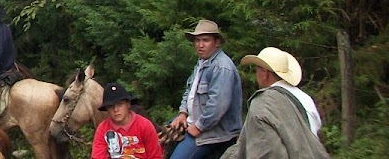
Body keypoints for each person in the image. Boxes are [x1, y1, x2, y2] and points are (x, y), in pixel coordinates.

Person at [221, 47, 327, 159]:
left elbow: (265, 151)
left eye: (257, 70)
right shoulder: (305, 98)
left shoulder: (263, 103)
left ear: (264, 73)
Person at [168, 20, 242, 159]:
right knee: (157, 140)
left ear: (217, 42)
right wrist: (182, 113)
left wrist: (199, 127)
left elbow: (218, 106)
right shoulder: (202, 62)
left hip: (213, 132)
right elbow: (189, 91)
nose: (200, 45)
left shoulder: (222, 67)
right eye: (197, 40)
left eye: (205, 40)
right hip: (194, 121)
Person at [91, 82, 163, 159]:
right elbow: (98, 156)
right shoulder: (102, 129)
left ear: (128, 104)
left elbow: (155, 156)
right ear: (106, 109)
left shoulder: (145, 125)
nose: (116, 110)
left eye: (120, 104)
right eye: (111, 106)